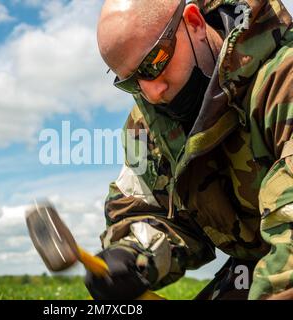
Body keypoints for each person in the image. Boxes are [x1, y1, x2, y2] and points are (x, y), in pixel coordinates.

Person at [85, 0, 293, 300]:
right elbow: (153, 211)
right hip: (254, 264)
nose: (152, 92)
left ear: (194, 22)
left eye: (154, 62)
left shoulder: (283, 78)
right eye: (132, 82)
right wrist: (133, 255)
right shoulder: (149, 125)